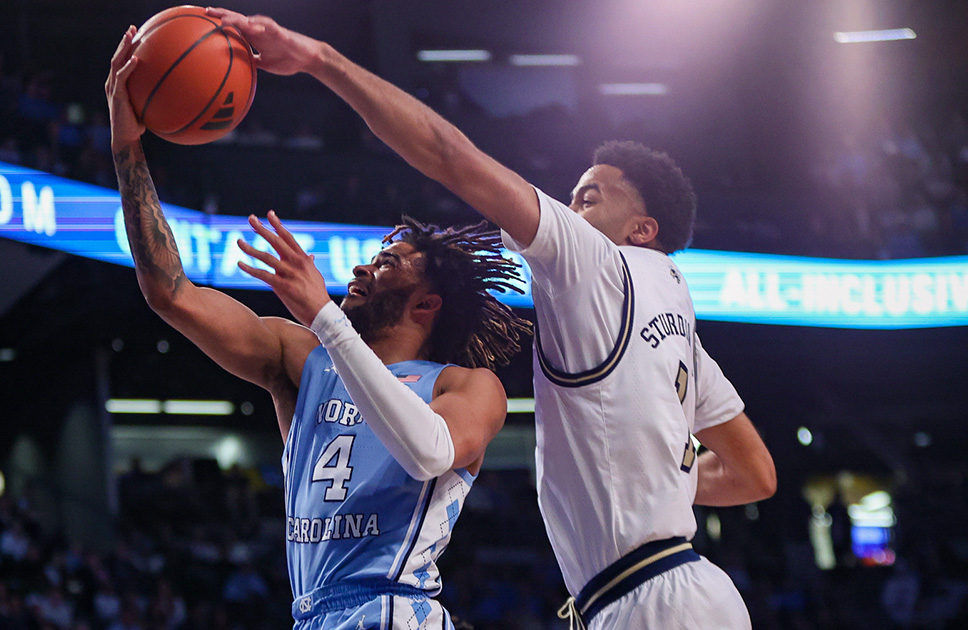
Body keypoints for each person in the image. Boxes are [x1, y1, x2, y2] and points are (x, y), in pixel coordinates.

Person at [204, 9, 778, 629]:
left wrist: (321, 59)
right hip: (684, 587)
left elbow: (447, 153)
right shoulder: (679, 322)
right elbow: (755, 474)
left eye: (589, 197)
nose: (570, 206)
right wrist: (659, 485)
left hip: (648, 600)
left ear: (642, 230)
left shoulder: (593, 261)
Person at [106, 26, 531, 630]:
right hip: (314, 617)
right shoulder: (301, 356)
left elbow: (430, 451)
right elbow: (170, 293)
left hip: (392, 608)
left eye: (387, 264)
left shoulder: (464, 388)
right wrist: (128, 147)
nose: (362, 266)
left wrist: (327, 318)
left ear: (428, 304)